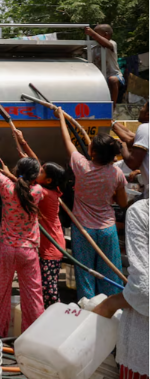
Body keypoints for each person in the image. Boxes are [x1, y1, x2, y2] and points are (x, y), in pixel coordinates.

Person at [0, 125, 45, 337]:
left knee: (1, 293)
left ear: (17, 171)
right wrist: (23, 142)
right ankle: (34, 335)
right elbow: (39, 166)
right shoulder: (37, 191)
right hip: (28, 251)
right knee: (33, 295)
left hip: (6, 248)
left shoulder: (6, 187)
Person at [57, 108, 127, 299]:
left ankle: (88, 310)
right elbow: (122, 203)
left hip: (83, 229)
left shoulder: (82, 166)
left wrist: (61, 118)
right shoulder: (116, 173)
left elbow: (68, 142)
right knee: (111, 273)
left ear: (92, 152)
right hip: (107, 229)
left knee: (85, 274)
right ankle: (112, 313)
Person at [11, 129, 67, 308]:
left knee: (49, 290)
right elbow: (36, 164)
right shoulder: (47, 189)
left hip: (51, 248)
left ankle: (56, 318)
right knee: (43, 288)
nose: (38, 172)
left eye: (41, 172)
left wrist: (6, 173)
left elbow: (22, 185)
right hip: (46, 246)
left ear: (49, 180)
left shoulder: (44, 193)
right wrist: (23, 141)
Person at [93, 199, 148, 379]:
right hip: (107, 231)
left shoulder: (142, 213)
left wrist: (112, 303)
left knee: (88, 280)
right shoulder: (114, 176)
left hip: (143, 350)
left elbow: (143, 290)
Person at [114, 102, 149, 198]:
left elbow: (133, 163)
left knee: (131, 211)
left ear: (147, 114)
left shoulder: (145, 128)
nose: (140, 109)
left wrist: (122, 146)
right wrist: (112, 123)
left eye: (143, 107)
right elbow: (130, 139)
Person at [84, 24, 123, 105]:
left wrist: (92, 33)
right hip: (99, 77)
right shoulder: (92, 46)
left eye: (96, 33)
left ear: (105, 34)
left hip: (113, 75)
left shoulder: (112, 43)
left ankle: (112, 108)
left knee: (113, 80)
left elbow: (107, 45)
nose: (93, 36)